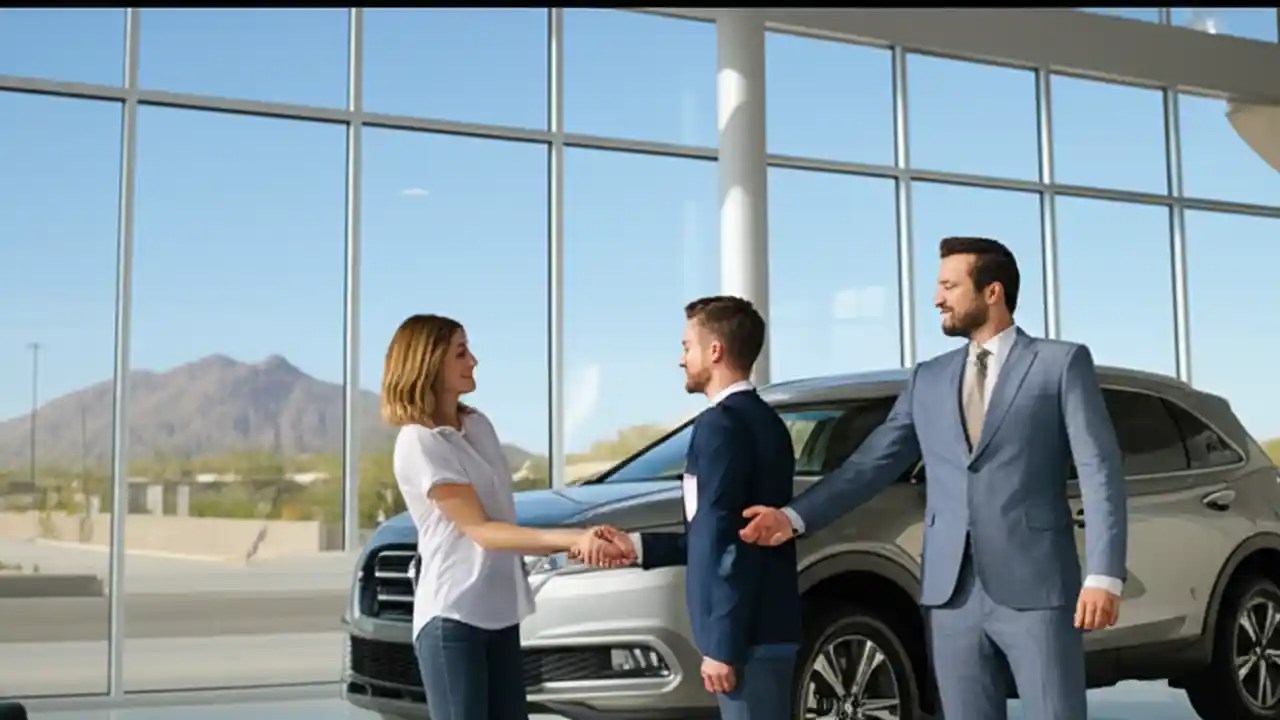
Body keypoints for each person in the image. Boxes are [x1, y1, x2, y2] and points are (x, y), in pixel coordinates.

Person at [739, 237, 1128, 720]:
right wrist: (795, 517)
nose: (936, 298)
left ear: (993, 292)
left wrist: (1104, 575)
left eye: (948, 285)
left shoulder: (1060, 364)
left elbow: (1099, 468)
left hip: (1038, 588)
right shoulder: (929, 378)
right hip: (949, 596)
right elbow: (871, 464)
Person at [381, 313, 633, 720]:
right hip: (453, 616)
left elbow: (502, 516)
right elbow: (482, 530)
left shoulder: (477, 425)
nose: (474, 360)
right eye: (461, 352)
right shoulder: (419, 441)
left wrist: (580, 540)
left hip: (498, 612)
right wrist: (574, 538)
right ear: (427, 362)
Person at [586, 296, 802, 719]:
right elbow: (714, 532)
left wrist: (722, 647)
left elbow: (726, 541)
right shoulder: (769, 423)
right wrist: (638, 546)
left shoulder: (719, 424)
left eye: (687, 346)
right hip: (767, 628)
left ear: (715, 350)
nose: (681, 360)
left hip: (744, 641)